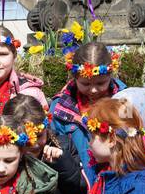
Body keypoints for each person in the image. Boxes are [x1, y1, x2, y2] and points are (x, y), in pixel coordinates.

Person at [49, 41, 123, 169]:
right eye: (86, 84)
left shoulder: (123, 101)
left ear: (110, 75)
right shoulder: (60, 108)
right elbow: (55, 143)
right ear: (75, 78)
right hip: (77, 177)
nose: (93, 90)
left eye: (100, 84)